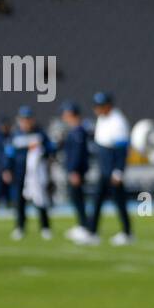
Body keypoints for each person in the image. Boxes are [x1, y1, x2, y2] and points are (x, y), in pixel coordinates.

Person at [79, 91, 132, 246]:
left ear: (108, 106)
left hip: (113, 168)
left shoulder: (118, 122)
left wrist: (118, 171)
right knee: (97, 200)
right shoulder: (102, 120)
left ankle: (127, 232)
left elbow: (121, 150)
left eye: (100, 106)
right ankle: (92, 231)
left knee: (119, 201)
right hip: (104, 166)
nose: (97, 109)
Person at [2, 105, 53, 240]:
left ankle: (45, 227)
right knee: (19, 202)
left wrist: (42, 151)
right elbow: (9, 154)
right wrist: (7, 169)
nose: (26, 122)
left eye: (28, 119)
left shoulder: (39, 134)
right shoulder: (15, 135)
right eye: (24, 119)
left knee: (40, 200)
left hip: (36, 173)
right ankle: (20, 227)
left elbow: (50, 149)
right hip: (20, 173)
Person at [59, 102, 91, 243]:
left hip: (76, 172)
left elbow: (78, 154)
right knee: (76, 199)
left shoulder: (79, 131)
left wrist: (74, 171)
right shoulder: (74, 131)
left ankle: (84, 226)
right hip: (74, 171)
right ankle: (82, 225)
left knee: (79, 199)